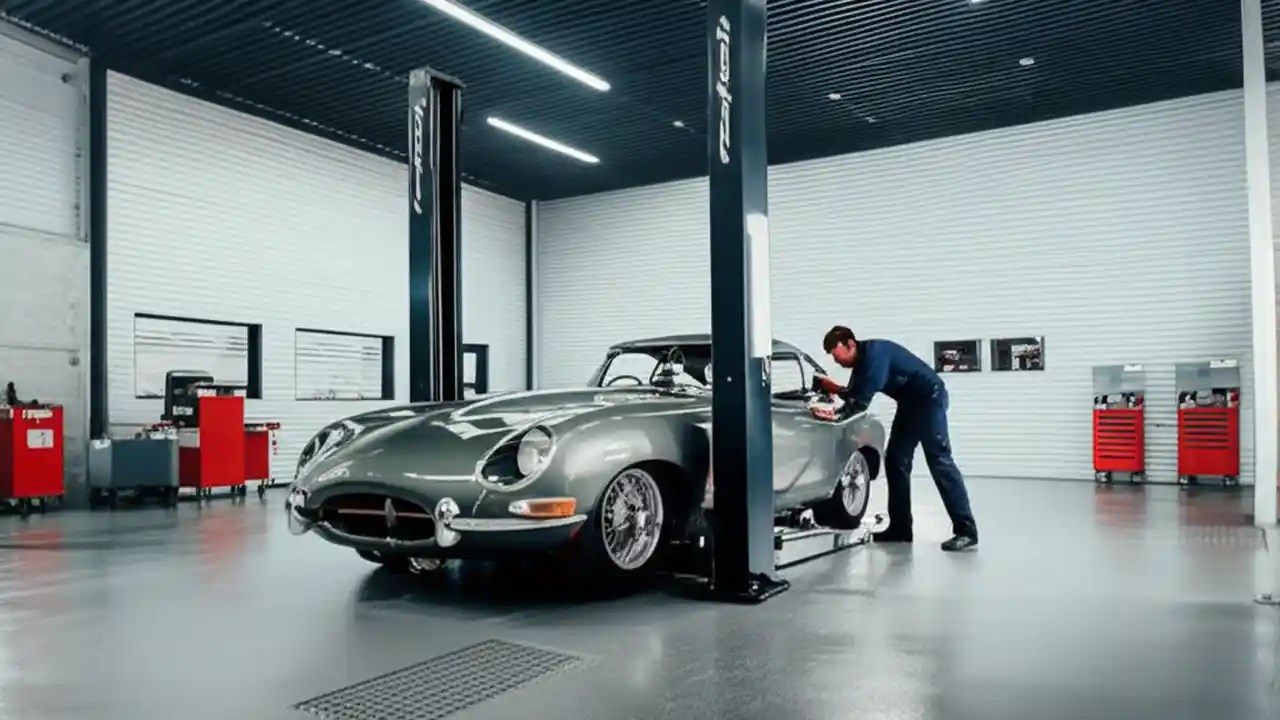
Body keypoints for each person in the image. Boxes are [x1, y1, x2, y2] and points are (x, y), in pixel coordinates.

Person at [811, 326, 978, 552]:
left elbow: (858, 404)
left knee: (939, 460)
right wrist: (834, 390)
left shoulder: (874, 357)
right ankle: (901, 529)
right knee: (896, 461)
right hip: (909, 403)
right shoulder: (862, 363)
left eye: (836, 353)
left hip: (929, 398)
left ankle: (966, 531)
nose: (836, 360)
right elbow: (854, 394)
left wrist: (830, 414)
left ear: (850, 343)